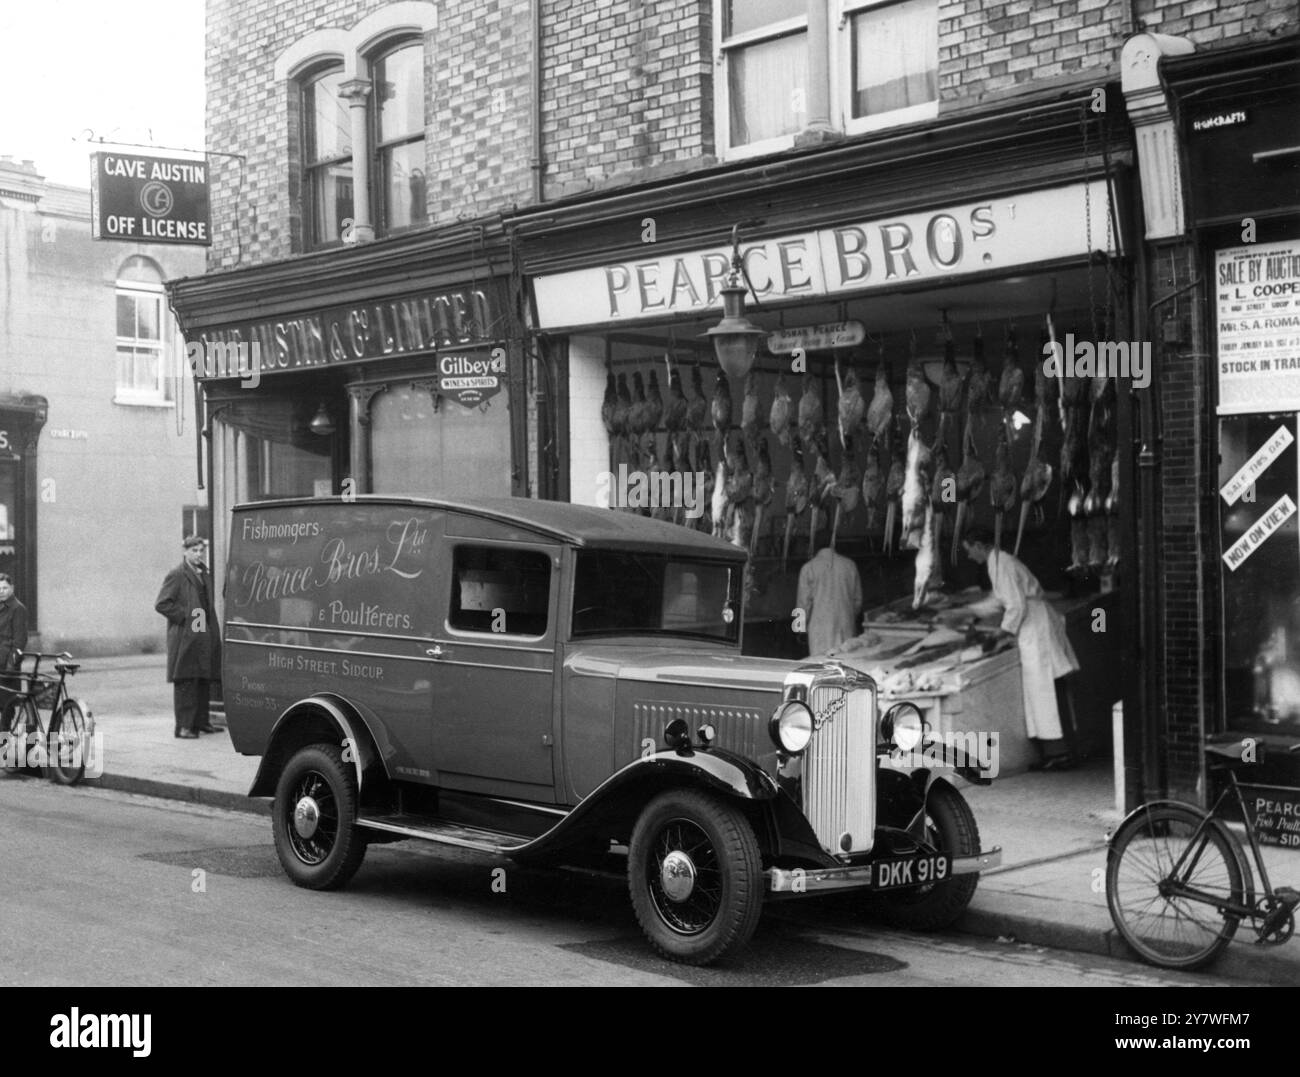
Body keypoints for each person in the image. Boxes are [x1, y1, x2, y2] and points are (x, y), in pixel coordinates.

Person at [952, 527, 1080, 770]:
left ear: (980, 545)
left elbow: (1015, 605)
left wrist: (1002, 633)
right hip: (1033, 625)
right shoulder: (998, 562)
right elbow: (998, 601)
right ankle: (1055, 753)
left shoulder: (1001, 563)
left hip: (1035, 627)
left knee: (1045, 689)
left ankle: (1061, 753)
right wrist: (967, 612)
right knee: (1044, 690)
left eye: (970, 551)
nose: (970, 557)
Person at [155, 537, 222, 739]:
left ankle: (201, 722)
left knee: (202, 678)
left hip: (202, 631)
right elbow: (162, 604)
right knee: (186, 680)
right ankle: (184, 726)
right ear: (185, 551)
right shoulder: (177, 574)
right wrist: (186, 616)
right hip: (186, 636)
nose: (199, 554)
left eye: (201, 550)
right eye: (194, 550)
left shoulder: (203, 573)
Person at [796, 542, 863, 657]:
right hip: (846, 626)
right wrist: (848, 616)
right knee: (846, 663)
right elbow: (857, 600)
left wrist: (798, 628)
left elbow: (802, 604)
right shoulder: (850, 565)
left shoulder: (808, 568)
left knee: (821, 666)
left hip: (819, 630)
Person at [0, 573, 29, 714]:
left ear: (12, 588)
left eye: (5, 588)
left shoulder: (18, 608)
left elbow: (20, 640)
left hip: (7, 664)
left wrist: (11, 664)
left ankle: (5, 734)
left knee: (7, 705)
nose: (1, 591)